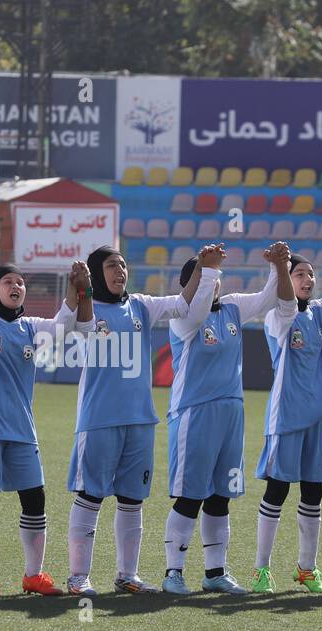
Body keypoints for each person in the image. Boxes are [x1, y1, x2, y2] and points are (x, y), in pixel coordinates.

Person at [65, 242, 224, 596]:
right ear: (95, 273)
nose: (120, 271)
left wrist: (202, 266)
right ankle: (78, 577)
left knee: (132, 500)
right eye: (111, 266)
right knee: (91, 497)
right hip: (99, 420)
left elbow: (183, 304)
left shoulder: (141, 305)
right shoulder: (88, 309)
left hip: (140, 421)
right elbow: (82, 324)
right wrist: (83, 288)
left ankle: (128, 575)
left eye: (122, 265)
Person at [161, 241, 295, 595]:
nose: (214, 284)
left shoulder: (233, 308)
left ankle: (215, 572)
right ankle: (173, 572)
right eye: (205, 278)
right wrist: (209, 270)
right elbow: (199, 303)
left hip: (231, 415)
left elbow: (270, 298)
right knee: (190, 496)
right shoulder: (184, 319)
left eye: (215, 278)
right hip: (194, 415)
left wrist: (278, 266)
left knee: (221, 496)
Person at [0, 236, 94, 596]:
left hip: (21, 429)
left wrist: (75, 287)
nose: (16, 286)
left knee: (35, 499)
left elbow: (65, 324)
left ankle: (33, 575)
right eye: (8, 281)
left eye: (20, 282)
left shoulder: (30, 327)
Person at [250, 252, 322, 594]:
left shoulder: (320, 312)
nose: (308, 280)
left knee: (314, 494)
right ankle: (260, 571)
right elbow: (284, 301)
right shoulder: (276, 316)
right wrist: (280, 268)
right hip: (286, 417)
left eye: (311, 274)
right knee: (277, 491)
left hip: (318, 419)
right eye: (299, 274)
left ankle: (306, 569)